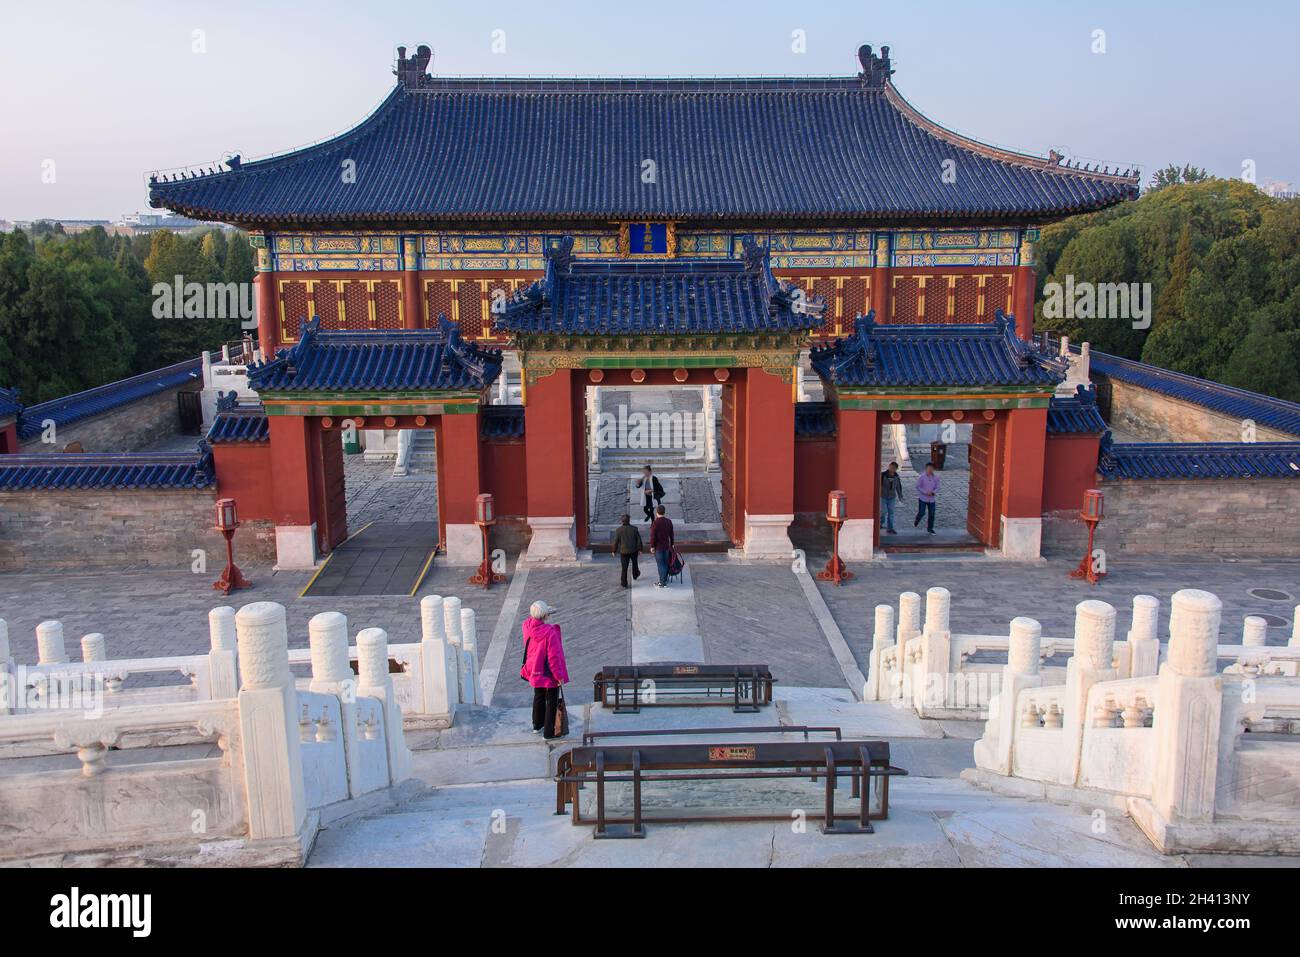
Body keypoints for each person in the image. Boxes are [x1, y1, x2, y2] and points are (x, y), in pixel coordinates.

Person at [520, 600, 569, 738]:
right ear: (545, 615)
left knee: (539, 695)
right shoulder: (550, 632)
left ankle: (537, 725)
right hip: (548, 671)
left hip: (535, 668)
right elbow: (554, 657)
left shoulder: (527, 626)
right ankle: (548, 732)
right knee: (552, 699)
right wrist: (559, 676)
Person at [612, 513, 643, 588]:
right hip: (633, 550)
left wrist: (614, 550)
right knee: (635, 564)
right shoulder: (634, 529)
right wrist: (640, 549)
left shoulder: (618, 530)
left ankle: (624, 583)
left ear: (622, 521)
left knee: (624, 567)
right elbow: (639, 540)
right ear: (629, 520)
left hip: (623, 551)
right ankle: (635, 575)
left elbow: (615, 541)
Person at [650, 504, 675, 588]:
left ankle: (662, 583)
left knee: (661, 565)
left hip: (658, 547)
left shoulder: (655, 523)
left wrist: (652, 546)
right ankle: (664, 579)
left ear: (657, 512)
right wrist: (672, 544)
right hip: (666, 547)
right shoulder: (669, 521)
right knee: (665, 563)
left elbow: (653, 536)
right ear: (664, 512)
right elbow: (671, 534)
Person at [914, 463, 940, 534]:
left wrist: (933, 492)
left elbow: (937, 487)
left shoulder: (936, 477)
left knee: (932, 514)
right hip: (923, 498)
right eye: (928, 468)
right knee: (922, 512)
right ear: (926, 469)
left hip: (931, 499)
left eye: (931, 468)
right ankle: (917, 519)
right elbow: (918, 486)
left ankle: (930, 528)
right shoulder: (922, 477)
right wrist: (925, 492)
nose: (930, 470)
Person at [879, 461, 903, 535]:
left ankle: (890, 528)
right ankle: (880, 522)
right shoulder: (883, 475)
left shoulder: (896, 477)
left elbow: (898, 487)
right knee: (883, 511)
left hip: (892, 497)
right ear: (889, 466)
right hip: (883, 496)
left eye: (893, 468)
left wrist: (900, 496)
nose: (892, 469)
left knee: (891, 512)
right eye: (891, 467)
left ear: (896, 469)